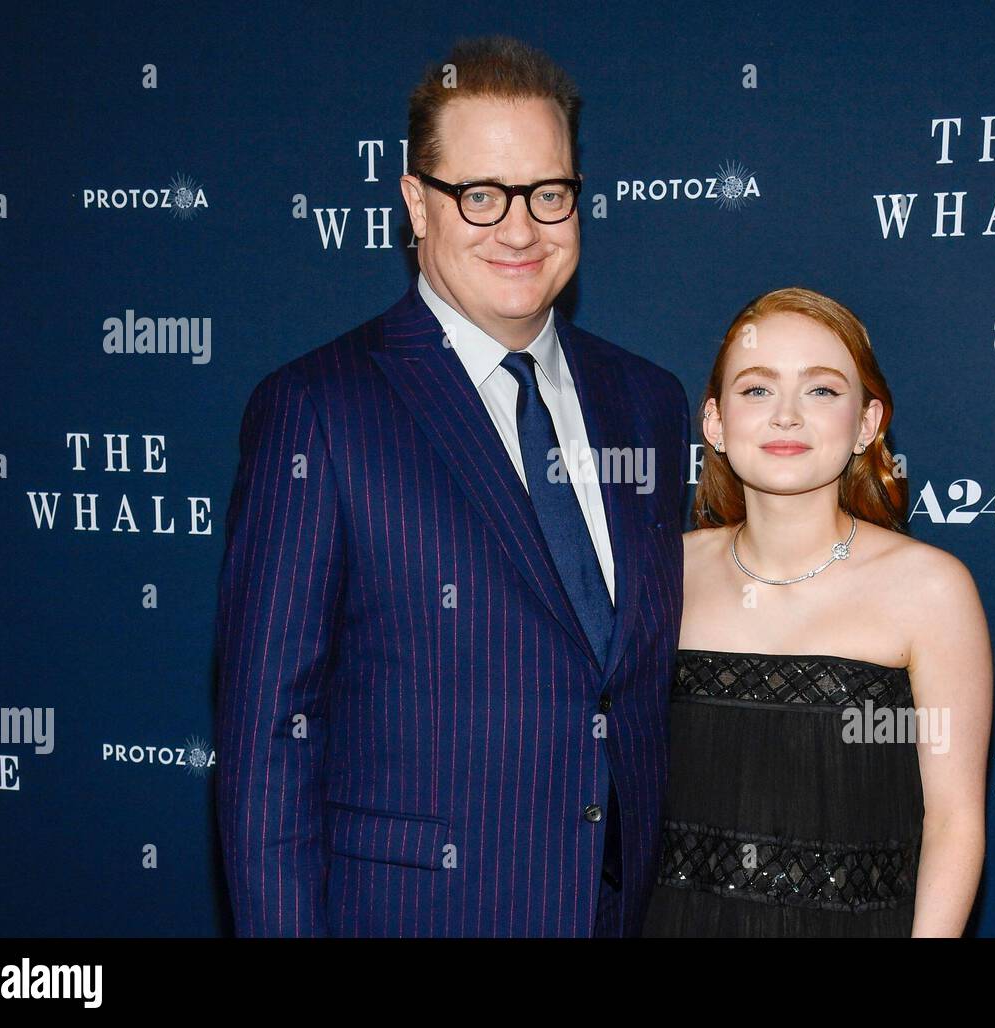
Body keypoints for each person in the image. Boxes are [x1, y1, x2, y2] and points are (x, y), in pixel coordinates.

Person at [214, 35, 689, 937]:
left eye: (548, 194)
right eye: (480, 195)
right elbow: (266, 741)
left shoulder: (648, 401)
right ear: (415, 205)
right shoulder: (318, 408)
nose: (520, 229)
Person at [641, 287, 991, 938]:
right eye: (757, 390)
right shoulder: (662, 573)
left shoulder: (929, 590)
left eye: (822, 391)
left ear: (867, 423)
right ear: (714, 422)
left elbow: (953, 822)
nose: (786, 417)